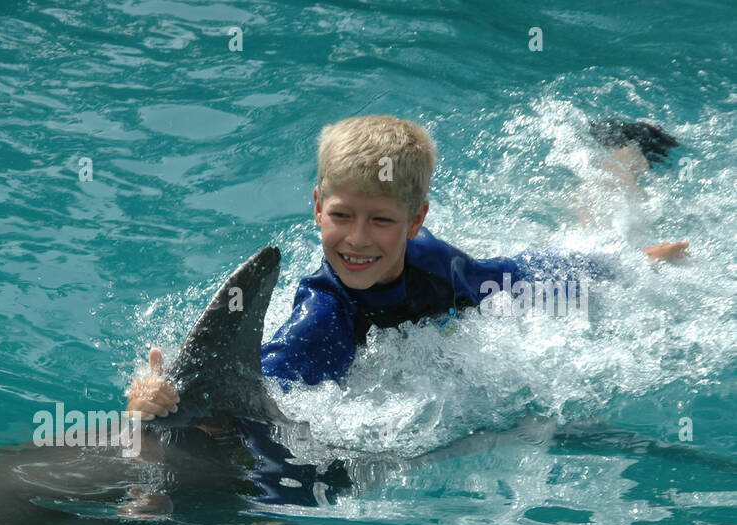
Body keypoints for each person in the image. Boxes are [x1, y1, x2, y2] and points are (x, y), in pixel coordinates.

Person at [126, 114, 689, 421]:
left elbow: (523, 276)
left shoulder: (437, 266)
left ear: (416, 221)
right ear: (316, 206)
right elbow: (254, 392)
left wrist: (622, 266)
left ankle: (622, 156)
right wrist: (156, 394)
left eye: (381, 221)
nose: (358, 240)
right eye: (342, 216)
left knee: (600, 244)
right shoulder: (323, 312)